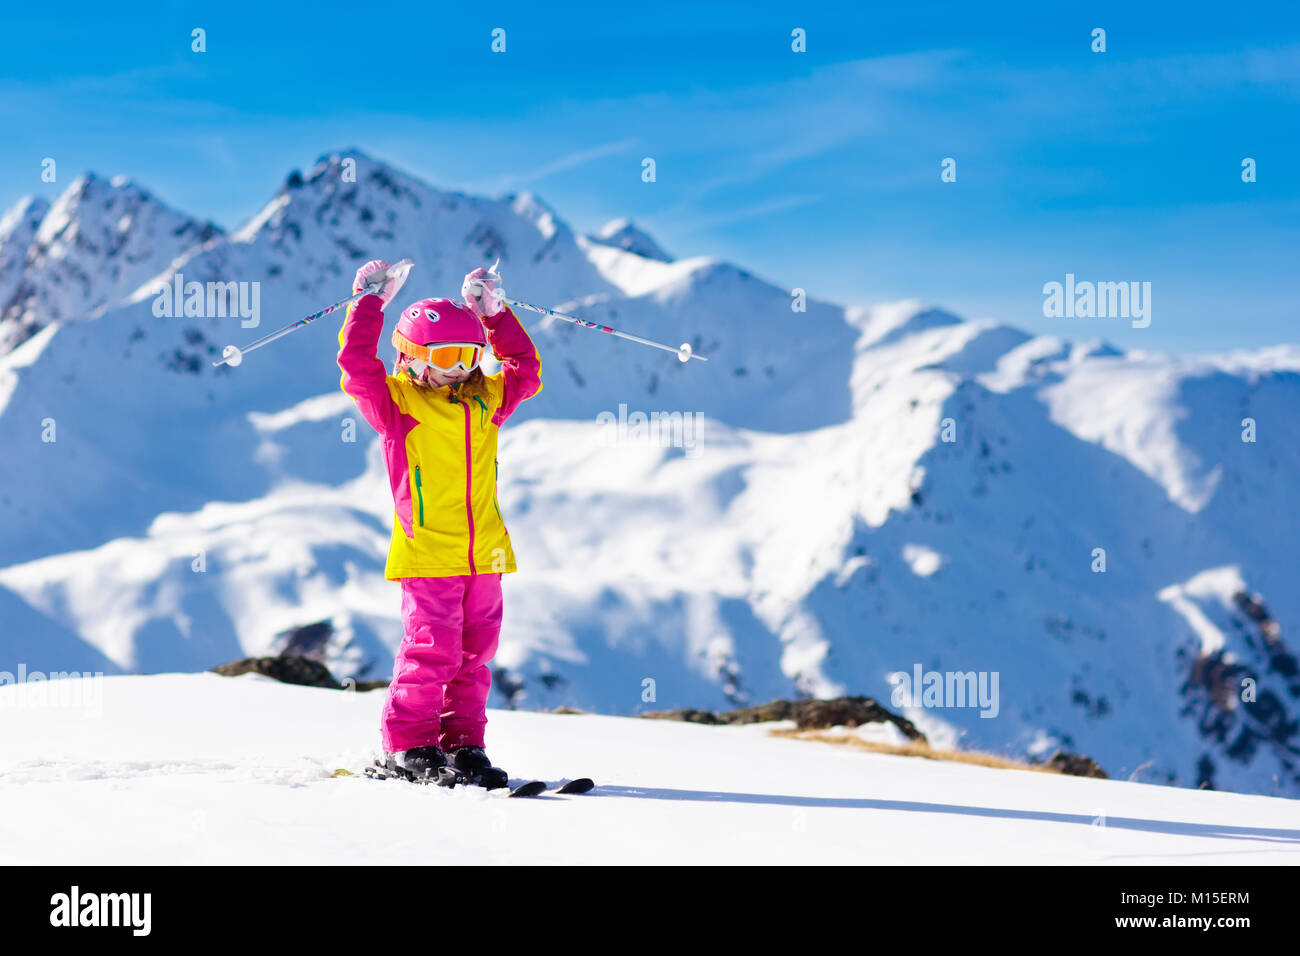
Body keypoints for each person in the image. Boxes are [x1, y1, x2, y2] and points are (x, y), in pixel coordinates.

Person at [337, 258, 542, 785]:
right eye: (446, 355)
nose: (459, 367)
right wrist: (368, 303)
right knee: (433, 649)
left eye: (469, 355)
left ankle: (464, 741)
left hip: (486, 553)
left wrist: (494, 316)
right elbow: (358, 367)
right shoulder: (397, 404)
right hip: (428, 551)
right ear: (412, 356)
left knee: (476, 654)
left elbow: (525, 370)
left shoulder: (486, 400)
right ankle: (410, 742)